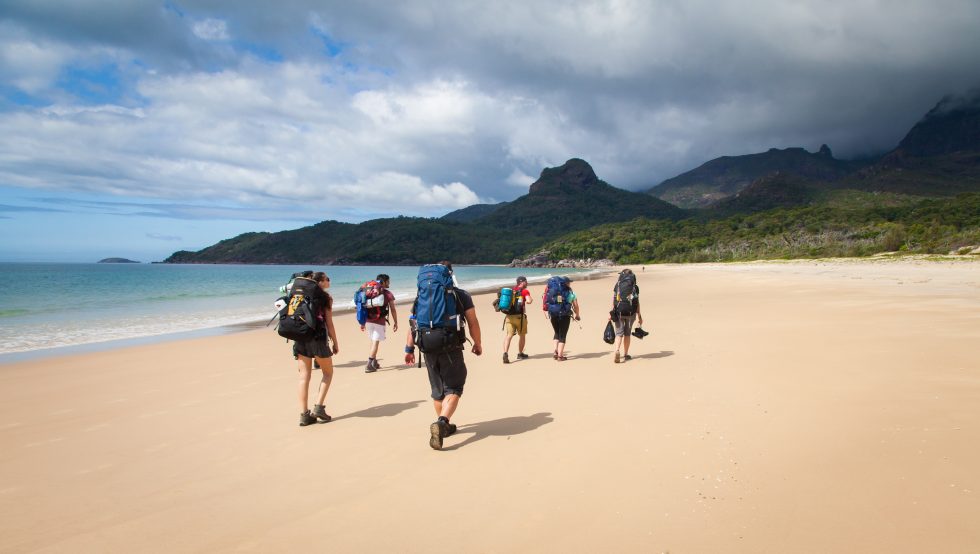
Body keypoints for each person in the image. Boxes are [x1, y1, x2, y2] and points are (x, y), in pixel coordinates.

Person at [404, 261, 482, 450]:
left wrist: (409, 349)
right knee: (454, 387)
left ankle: (445, 427)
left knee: (438, 389)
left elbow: (413, 324)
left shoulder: (421, 296)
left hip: (426, 344)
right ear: (450, 275)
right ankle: (441, 422)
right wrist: (477, 343)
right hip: (450, 345)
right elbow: (472, 322)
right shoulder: (460, 295)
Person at [291, 271, 339, 426]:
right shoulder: (326, 298)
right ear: (321, 282)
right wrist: (335, 342)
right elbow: (329, 323)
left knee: (304, 377)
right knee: (328, 373)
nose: (329, 281)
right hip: (317, 338)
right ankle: (318, 407)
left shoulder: (298, 296)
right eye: (327, 279)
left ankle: (304, 415)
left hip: (300, 338)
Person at [362, 273, 398, 373]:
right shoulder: (387, 294)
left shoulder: (368, 290)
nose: (389, 283)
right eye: (388, 281)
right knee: (375, 342)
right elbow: (393, 309)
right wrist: (395, 322)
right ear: (384, 282)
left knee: (373, 341)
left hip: (368, 320)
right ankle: (369, 364)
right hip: (379, 321)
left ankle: (374, 362)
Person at [609, 268, 642, 363]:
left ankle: (617, 350)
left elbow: (615, 300)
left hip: (619, 312)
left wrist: (612, 312)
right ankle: (626, 354)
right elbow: (637, 302)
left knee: (619, 334)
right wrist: (639, 315)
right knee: (627, 334)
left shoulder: (618, 285)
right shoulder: (635, 287)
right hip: (631, 313)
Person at [543, 276, 580, 361]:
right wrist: (577, 315)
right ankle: (560, 356)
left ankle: (555, 352)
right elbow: (576, 306)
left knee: (556, 333)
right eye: (569, 282)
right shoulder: (570, 293)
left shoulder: (553, 291)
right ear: (566, 283)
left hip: (553, 314)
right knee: (562, 335)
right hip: (565, 315)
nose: (570, 284)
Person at [501, 276, 533, 363]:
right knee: (522, 335)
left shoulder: (511, 290)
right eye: (526, 281)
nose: (527, 283)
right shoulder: (524, 291)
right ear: (522, 282)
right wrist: (529, 299)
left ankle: (505, 353)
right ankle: (520, 353)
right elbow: (529, 301)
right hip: (520, 317)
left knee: (509, 336)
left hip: (509, 317)